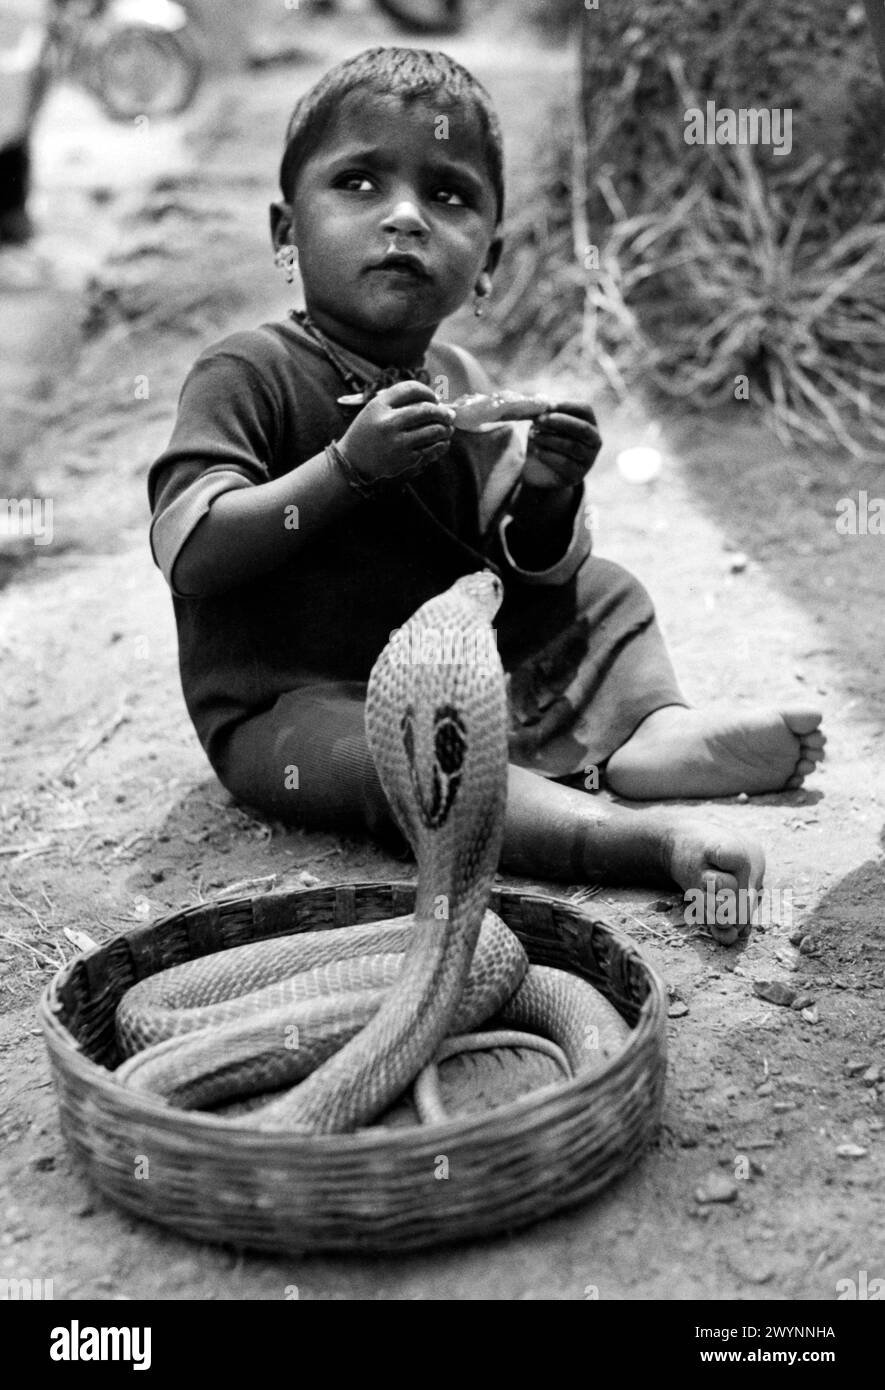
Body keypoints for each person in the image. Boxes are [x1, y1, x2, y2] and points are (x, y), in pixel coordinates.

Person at [148, 47, 825, 941]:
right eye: (357, 183)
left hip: (458, 672)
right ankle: (632, 839)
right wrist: (344, 470)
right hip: (296, 703)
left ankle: (652, 732)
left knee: (604, 588)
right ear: (285, 232)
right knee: (398, 756)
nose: (404, 217)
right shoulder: (250, 372)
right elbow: (190, 552)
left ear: (490, 259)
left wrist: (544, 495)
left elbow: (515, 563)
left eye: (449, 196)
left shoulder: (461, 376)